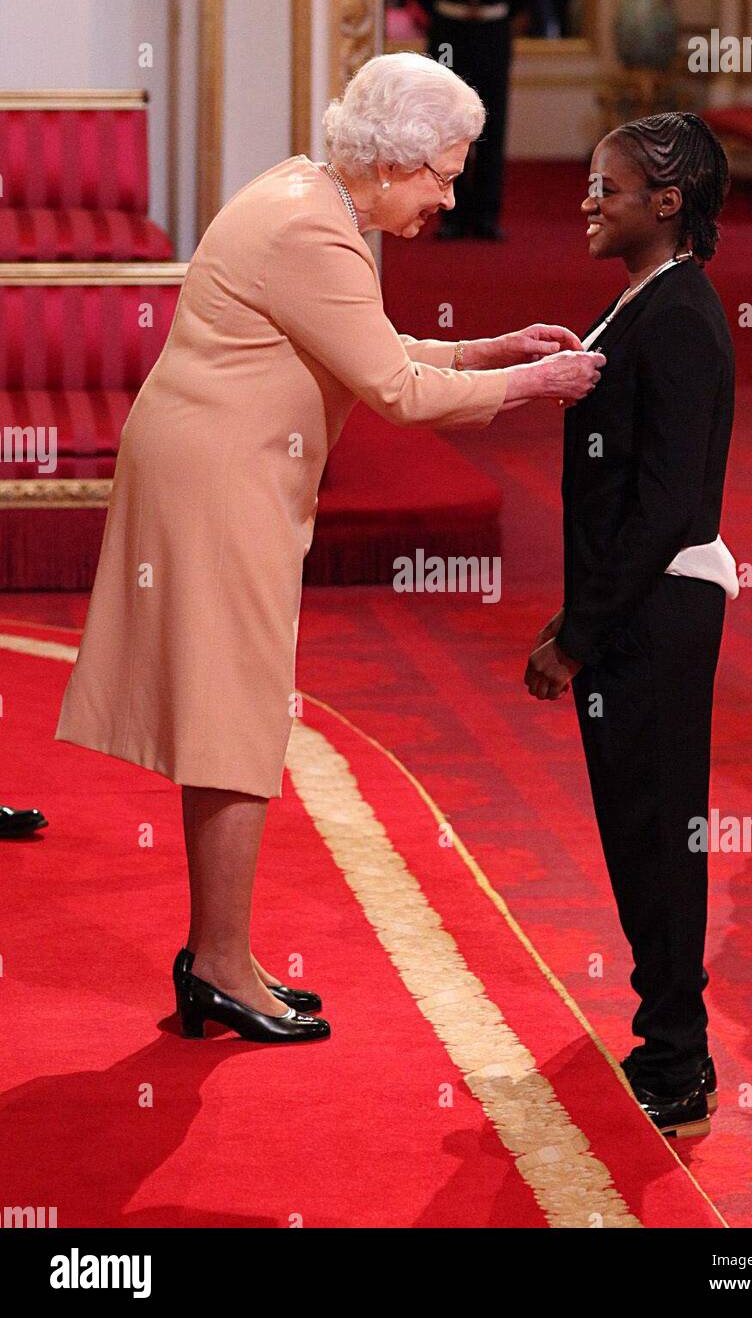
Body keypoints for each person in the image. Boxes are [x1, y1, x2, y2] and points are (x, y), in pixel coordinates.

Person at [54, 52, 603, 1045]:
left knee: (234, 712)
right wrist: (537, 386)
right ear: (390, 163)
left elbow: (370, 345)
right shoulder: (313, 226)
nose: (448, 193)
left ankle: (222, 954)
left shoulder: (310, 196)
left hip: (221, 471)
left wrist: (488, 351)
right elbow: (396, 391)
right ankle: (218, 964)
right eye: (441, 170)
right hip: (219, 484)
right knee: (235, 717)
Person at [525, 113, 738, 1138]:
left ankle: (681, 1060)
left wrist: (577, 633)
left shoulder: (684, 315)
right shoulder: (642, 302)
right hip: (634, 609)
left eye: (603, 186)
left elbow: (660, 508)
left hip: (658, 612)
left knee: (659, 834)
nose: (586, 202)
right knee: (637, 830)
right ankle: (664, 1031)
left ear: (666, 202)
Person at [407, 0, 530, 240]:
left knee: (492, 121)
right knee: (448, 123)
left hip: (492, 32)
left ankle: (487, 214)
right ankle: (452, 213)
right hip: (450, 30)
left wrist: (499, 9)